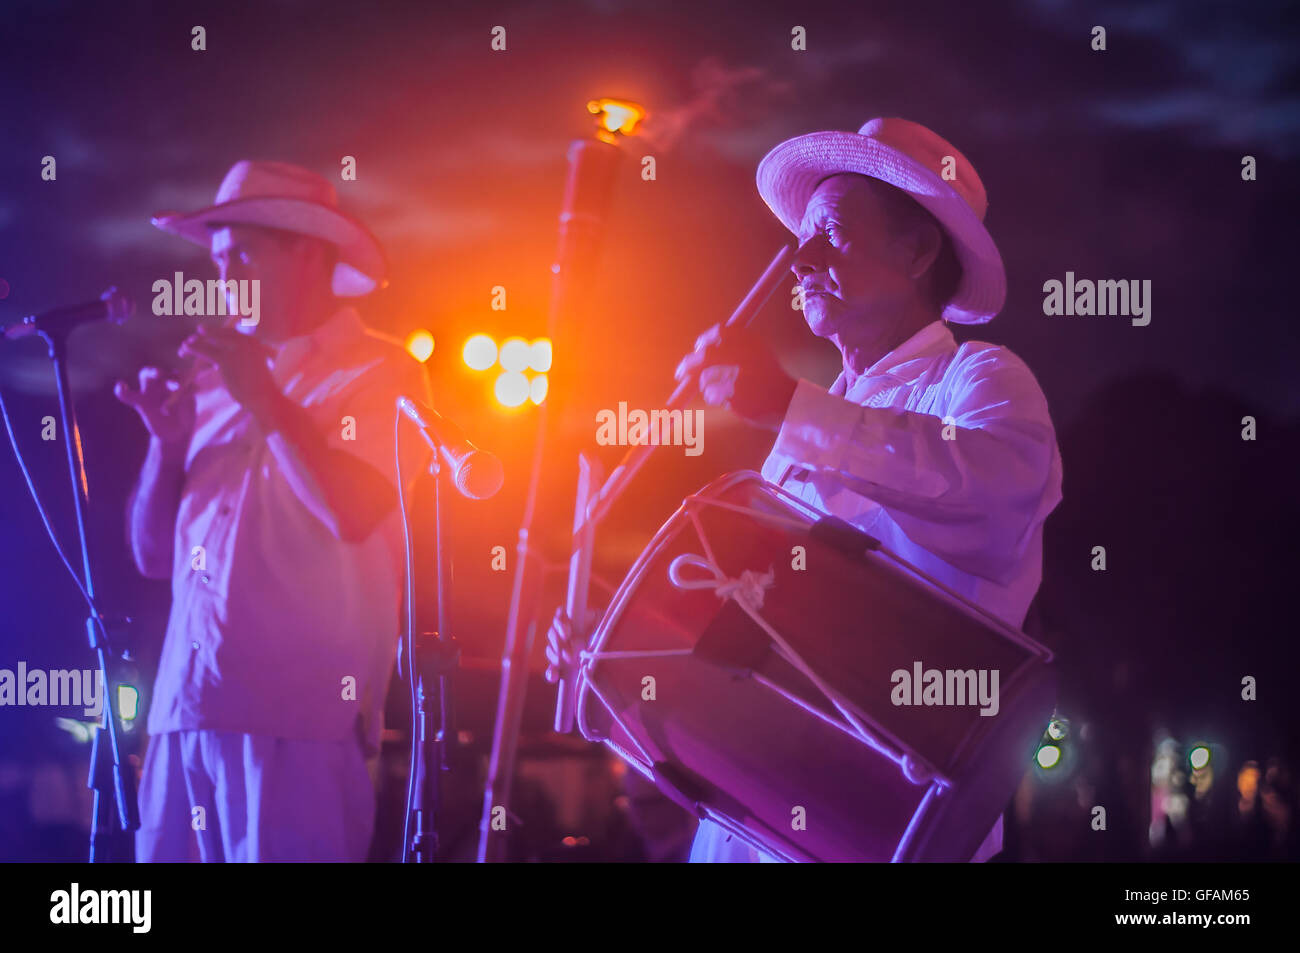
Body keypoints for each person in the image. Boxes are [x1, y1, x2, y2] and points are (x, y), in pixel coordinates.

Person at [549, 118, 1063, 863]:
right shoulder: (802, 437)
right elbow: (746, 657)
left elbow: (991, 498)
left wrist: (787, 405)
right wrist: (618, 651)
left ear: (918, 251)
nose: (800, 256)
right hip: (755, 830)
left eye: (831, 232)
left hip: (898, 825)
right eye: (802, 236)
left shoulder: (982, 380)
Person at [116, 160, 431, 862]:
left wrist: (264, 398)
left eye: (243, 255)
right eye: (219, 259)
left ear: (308, 252)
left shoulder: (385, 373)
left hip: (301, 723)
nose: (223, 277)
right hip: (184, 716)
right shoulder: (217, 378)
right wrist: (166, 449)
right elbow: (151, 556)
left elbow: (352, 512)